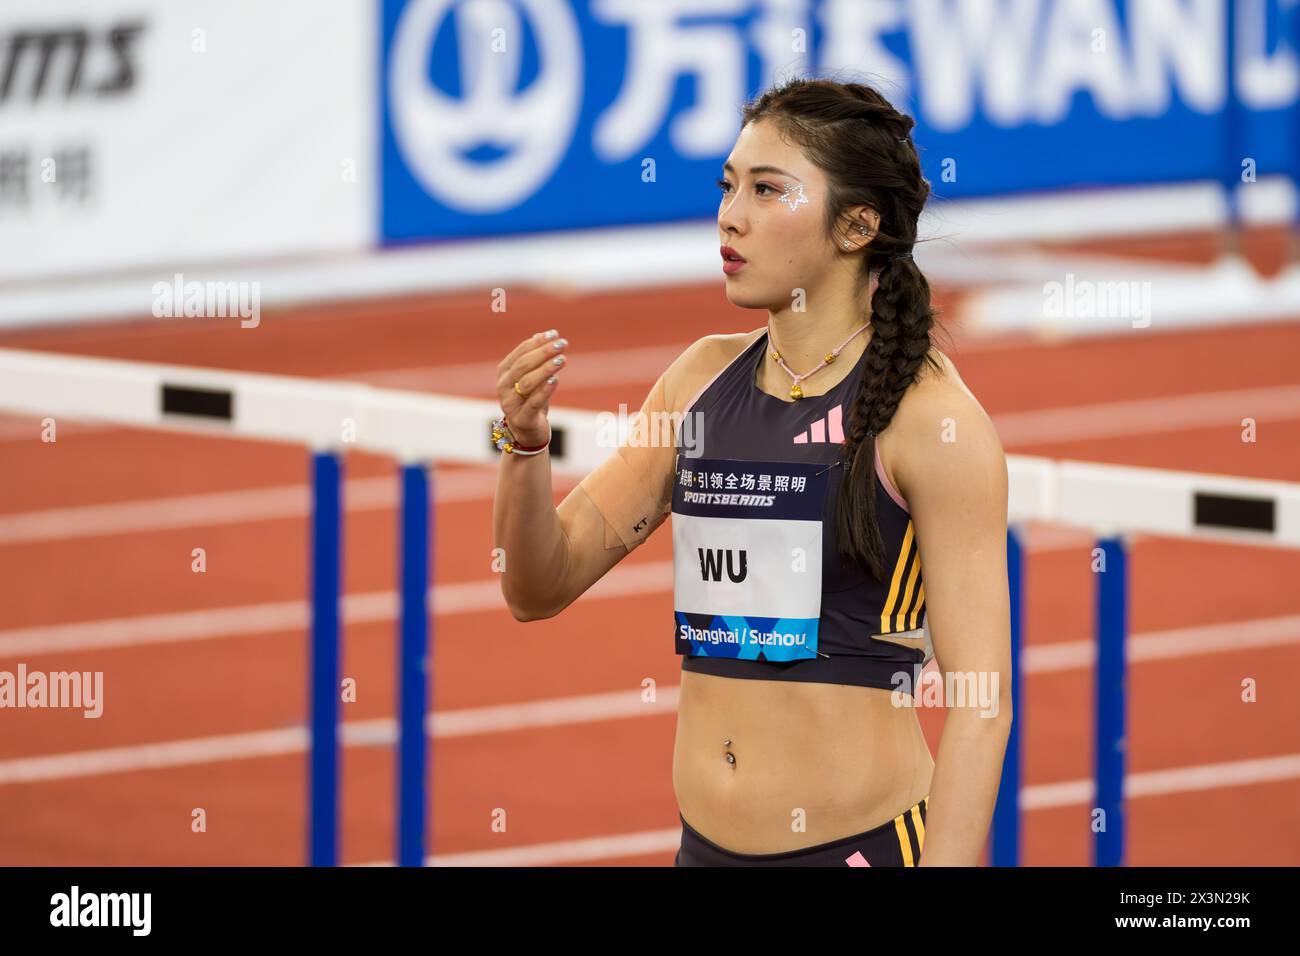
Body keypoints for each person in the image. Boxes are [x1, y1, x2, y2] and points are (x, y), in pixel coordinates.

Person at [491, 76, 1011, 866]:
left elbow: (981, 705)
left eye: (768, 190)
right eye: (728, 186)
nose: (731, 216)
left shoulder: (932, 421)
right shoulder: (697, 382)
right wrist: (524, 446)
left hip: (860, 849)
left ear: (857, 225)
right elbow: (539, 584)